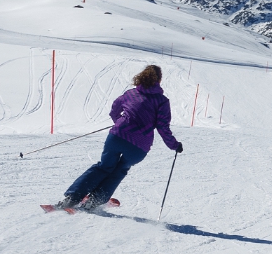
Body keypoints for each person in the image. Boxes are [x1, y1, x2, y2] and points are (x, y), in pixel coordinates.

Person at [54, 64, 182, 210]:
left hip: (117, 137)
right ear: (159, 80)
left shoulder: (130, 93)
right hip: (139, 146)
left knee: (103, 167)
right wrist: (174, 145)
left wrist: (121, 123)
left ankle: (72, 197)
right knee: (119, 170)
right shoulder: (162, 101)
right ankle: (94, 201)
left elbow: (114, 110)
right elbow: (162, 127)